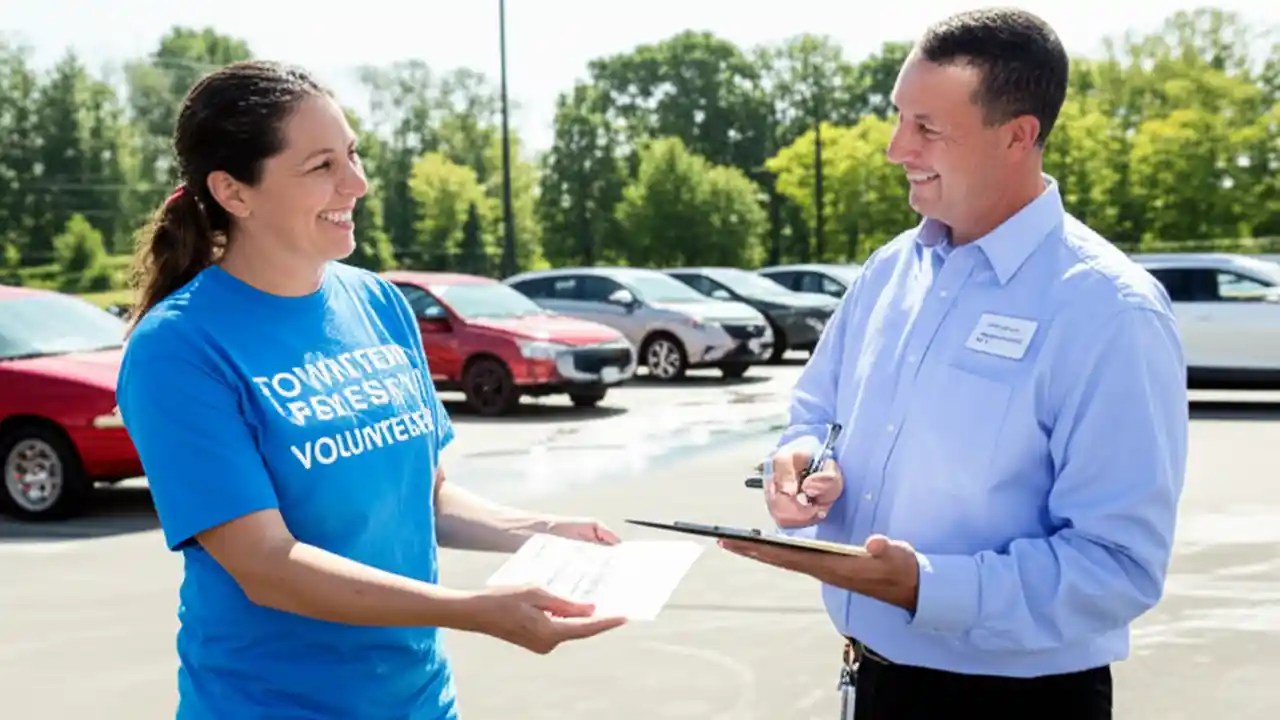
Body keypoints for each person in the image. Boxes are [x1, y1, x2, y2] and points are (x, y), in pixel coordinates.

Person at [115, 60, 626, 720]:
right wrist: (476, 612)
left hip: (419, 702)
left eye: (352, 153)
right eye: (321, 165)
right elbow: (267, 565)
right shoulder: (178, 349)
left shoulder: (379, 303)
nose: (357, 183)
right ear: (234, 192)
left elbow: (426, 496)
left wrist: (547, 533)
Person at [718, 8, 1188, 719]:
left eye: (927, 128)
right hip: (872, 678)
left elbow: (1118, 567)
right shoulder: (888, 272)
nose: (893, 148)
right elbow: (818, 413)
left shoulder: (1109, 311)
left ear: (1018, 136)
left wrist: (923, 585)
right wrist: (805, 460)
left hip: (1016, 702)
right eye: (899, 117)